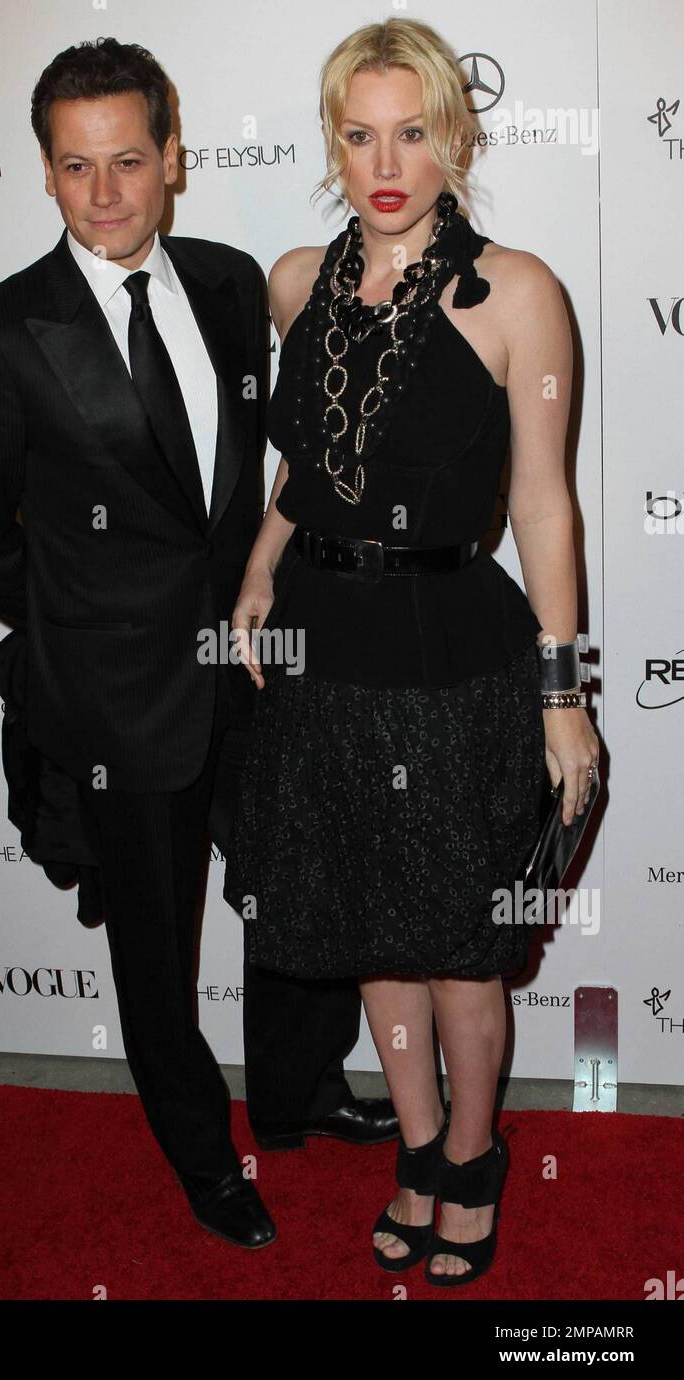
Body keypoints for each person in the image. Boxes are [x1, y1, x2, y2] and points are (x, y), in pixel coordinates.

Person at [0, 35, 397, 1253]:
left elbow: (255, 476)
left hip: (259, 665)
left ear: (173, 155)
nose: (104, 194)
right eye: (75, 167)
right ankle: (204, 1154)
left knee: (301, 894)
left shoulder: (236, 284)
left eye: (128, 160)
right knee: (156, 957)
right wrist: (82, 630)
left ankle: (297, 1089)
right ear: (44, 172)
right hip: (117, 705)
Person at [224, 16, 600, 1285]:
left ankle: (476, 1157)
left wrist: (564, 695)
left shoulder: (516, 292)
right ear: (330, 141)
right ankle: (419, 1147)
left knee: (453, 943)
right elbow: (308, 465)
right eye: (356, 132)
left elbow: (544, 500)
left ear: (454, 136)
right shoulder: (295, 282)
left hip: (452, 658)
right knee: (369, 936)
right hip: (326, 656)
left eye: (413, 132)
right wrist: (261, 572)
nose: (385, 161)